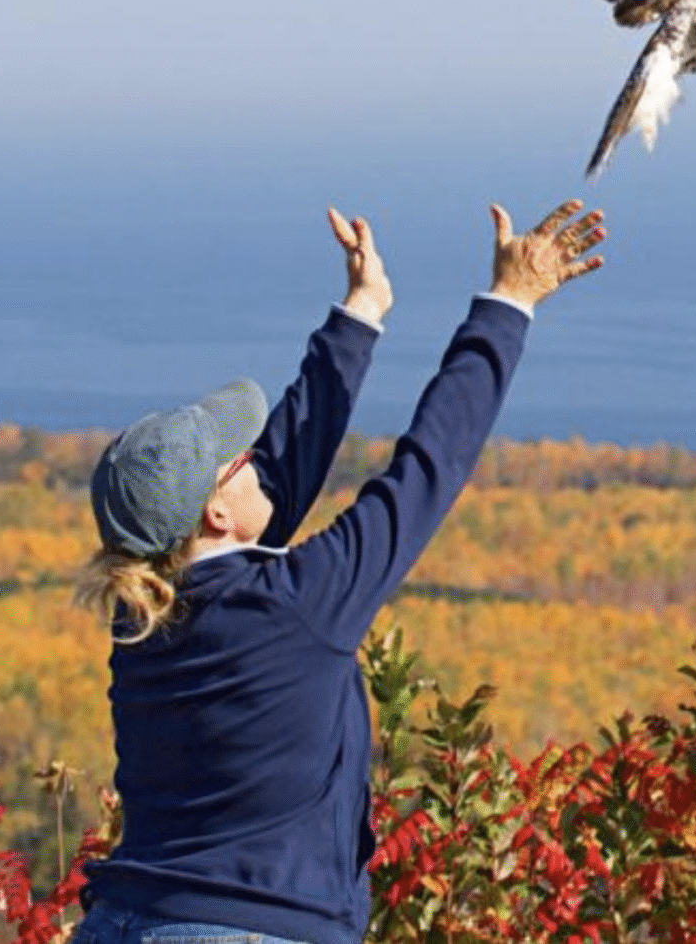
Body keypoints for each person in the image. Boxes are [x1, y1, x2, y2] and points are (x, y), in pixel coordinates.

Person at [70, 199, 605, 944]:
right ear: (217, 515)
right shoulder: (296, 607)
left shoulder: (142, 614)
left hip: (122, 923)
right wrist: (507, 305)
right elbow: (428, 465)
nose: (260, 458)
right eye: (242, 460)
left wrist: (361, 315)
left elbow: (274, 486)